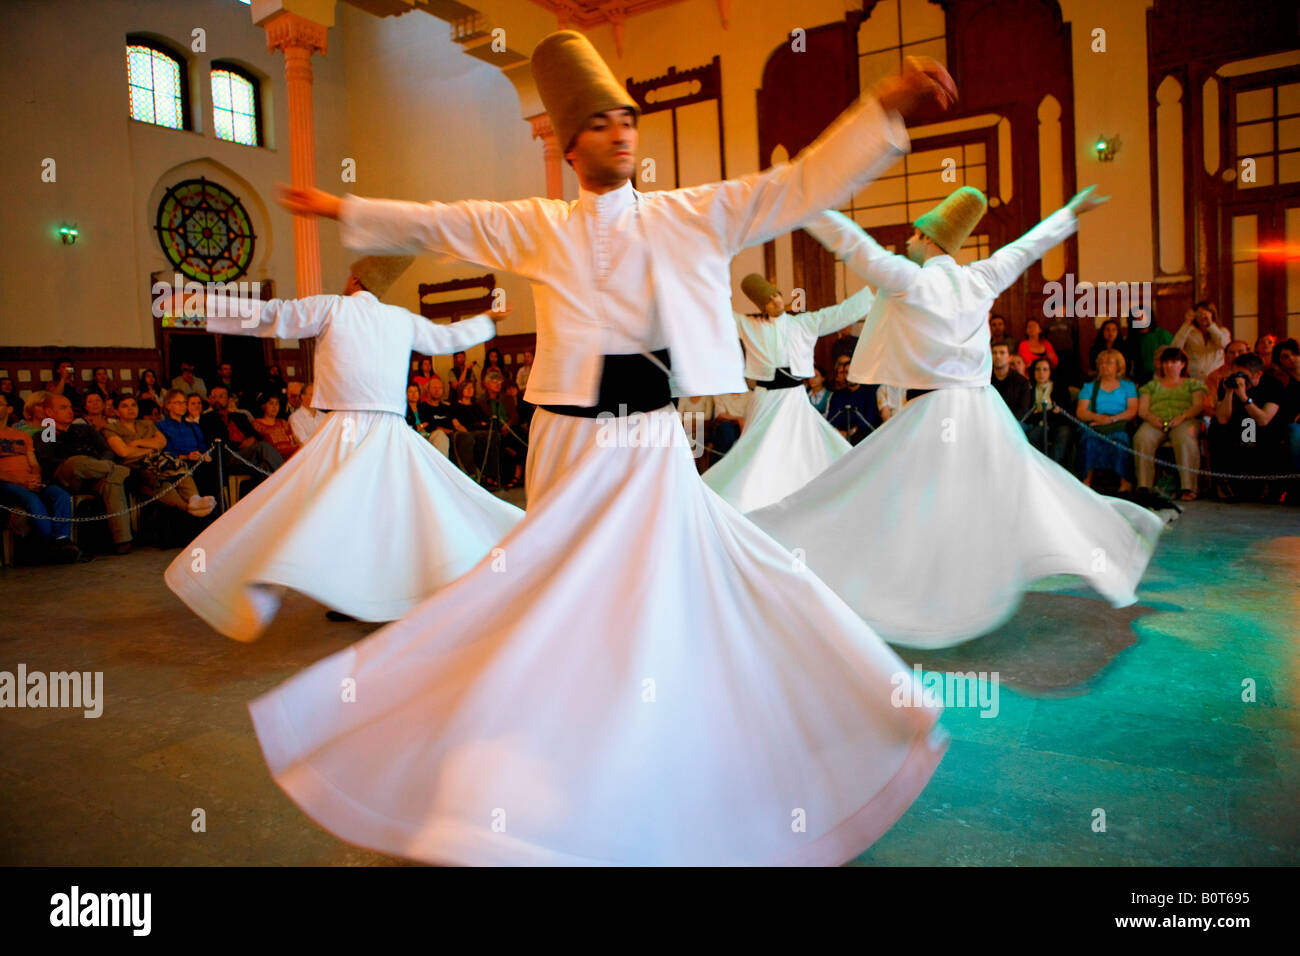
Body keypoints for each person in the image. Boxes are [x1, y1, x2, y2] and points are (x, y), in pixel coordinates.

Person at [263, 35, 955, 866]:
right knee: (556, 597)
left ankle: (665, 760)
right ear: (569, 145)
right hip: (564, 436)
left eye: (626, 118)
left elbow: (800, 184)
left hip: (650, 436)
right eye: (599, 123)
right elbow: (443, 221)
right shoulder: (539, 226)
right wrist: (344, 210)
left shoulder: (690, 213)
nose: (620, 132)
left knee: (665, 592)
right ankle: (539, 767)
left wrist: (883, 107)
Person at [750, 185, 1163, 649]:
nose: (909, 240)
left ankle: (898, 587)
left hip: (935, 412)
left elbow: (853, 245)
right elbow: (1029, 246)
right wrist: (1069, 213)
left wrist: (807, 203)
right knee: (1024, 494)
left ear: (929, 239)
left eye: (915, 234)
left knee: (884, 495)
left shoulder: (911, 279)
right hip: (983, 413)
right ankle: (1103, 550)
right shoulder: (979, 277)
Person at [166, 255, 521, 642]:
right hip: (392, 432)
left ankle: (284, 584)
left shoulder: (333, 307)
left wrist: (202, 303)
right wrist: (488, 320)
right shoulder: (400, 319)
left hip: (345, 429)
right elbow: (448, 338)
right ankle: (375, 592)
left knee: (309, 507)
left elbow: (271, 315)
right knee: (392, 511)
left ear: (354, 280)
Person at [701, 275, 872, 512]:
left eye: (776, 295)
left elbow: (837, 314)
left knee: (804, 447)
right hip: (765, 398)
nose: (775, 301)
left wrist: (872, 292)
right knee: (760, 450)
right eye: (768, 300)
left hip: (794, 398)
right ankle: (751, 498)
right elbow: (717, 315)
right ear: (763, 306)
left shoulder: (803, 323)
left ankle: (809, 495)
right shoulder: (750, 326)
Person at [32, 392, 134, 555]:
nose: (70, 411)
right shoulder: (46, 433)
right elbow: (49, 462)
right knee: (76, 461)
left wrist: (97, 465)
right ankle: (118, 470)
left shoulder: (85, 429)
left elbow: (107, 451)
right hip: (67, 477)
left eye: (70, 407)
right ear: (49, 412)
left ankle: (123, 540)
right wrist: (88, 463)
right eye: (63, 408)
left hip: (96, 475)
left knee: (112, 484)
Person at [0, 392, 83, 563]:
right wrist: (21, 481)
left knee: (61, 495)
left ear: (9, 409)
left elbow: (34, 463)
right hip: (7, 484)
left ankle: (62, 539)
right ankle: (52, 545)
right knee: (32, 499)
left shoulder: (21, 435)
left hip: (31, 481)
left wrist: (36, 477)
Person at [102, 395, 215, 518]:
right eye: (125, 406)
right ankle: (188, 508)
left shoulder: (147, 424)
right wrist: (151, 448)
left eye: (133, 405)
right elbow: (124, 452)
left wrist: (138, 443)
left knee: (176, 465)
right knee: (156, 479)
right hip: (133, 467)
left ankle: (195, 499)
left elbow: (162, 443)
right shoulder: (111, 428)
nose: (130, 409)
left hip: (158, 461)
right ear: (116, 411)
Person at [1134, 347, 1206, 501]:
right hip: (1155, 420)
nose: (1169, 365)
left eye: (1174, 362)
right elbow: (1143, 410)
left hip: (1185, 420)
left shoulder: (1193, 384)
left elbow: (1198, 405)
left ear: (1183, 364)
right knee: (1142, 438)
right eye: (1166, 362)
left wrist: (1182, 417)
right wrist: (1152, 419)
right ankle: (1144, 486)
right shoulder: (1151, 386)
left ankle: (1189, 487)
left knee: (1185, 439)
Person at [1208, 352, 1283, 500]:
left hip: (1260, 432)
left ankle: (1266, 484)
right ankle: (1223, 482)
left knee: (1254, 427)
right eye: (1235, 374)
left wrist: (1244, 397)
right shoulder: (1228, 383)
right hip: (1235, 430)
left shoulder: (1273, 385)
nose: (1239, 378)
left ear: (1257, 375)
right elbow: (1222, 418)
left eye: (1243, 375)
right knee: (1216, 428)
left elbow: (1264, 419)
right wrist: (1229, 393)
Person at [1076, 348, 1139, 491]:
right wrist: (1098, 418)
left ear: (1118, 366)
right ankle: (1086, 482)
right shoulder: (1089, 387)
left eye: (1109, 362)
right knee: (1089, 441)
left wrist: (1112, 419)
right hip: (1095, 423)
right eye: (1101, 363)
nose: (1104, 366)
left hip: (1119, 423)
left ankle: (1125, 483)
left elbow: (1132, 410)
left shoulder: (1128, 387)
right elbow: (1081, 411)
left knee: (1120, 441)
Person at [198, 385, 283, 488]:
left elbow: (256, 435)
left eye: (221, 396)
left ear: (229, 399)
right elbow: (215, 440)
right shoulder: (206, 419)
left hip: (250, 456)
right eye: (214, 397)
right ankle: (287, 480)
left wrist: (252, 439)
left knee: (265, 466)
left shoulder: (240, 417)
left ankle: (268, 494)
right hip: (229, 457)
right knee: (263, 447)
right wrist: (241, 444)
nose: (217, 400)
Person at [1024, 356, 1074, 467]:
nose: (1041, 373)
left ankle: (1052, 468)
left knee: (1064, 434)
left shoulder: (1060, 388)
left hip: (1060, 425)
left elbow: (1065, 413)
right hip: (1040, 425)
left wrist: (1041, 414)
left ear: (1050, 372)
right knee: (1031, 436)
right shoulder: (1029, 389)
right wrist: (1051, 413)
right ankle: (1039, 467)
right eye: (1038, 369)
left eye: (1045, 369)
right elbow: (1029, 415)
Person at [450, 380, 499, 485]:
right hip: (467, 433)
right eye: (467, 388)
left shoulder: (476, 405)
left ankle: (490, 475)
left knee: (494, 436)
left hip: (481, 432)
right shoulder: (456, 406)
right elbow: (456, 424)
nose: (469, 390)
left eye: (471, 388)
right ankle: (474, 473)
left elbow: (485, 420)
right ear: (461, 390)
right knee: (471, 438)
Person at [1171, 302, 1230, 381]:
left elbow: (1226, 346)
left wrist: (1211, 325)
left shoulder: (1222, 331)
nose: (1202, 317)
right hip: (1194, 377)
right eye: (1199, 314)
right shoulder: (1188, 332)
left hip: (1216, 377)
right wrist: (1187, 323)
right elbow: (1174, 348)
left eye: (1205, 314)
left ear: (1212, 314)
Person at [825, 355, 877, 444]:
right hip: (839, 437)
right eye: (846, 372)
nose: (850, 375)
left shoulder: (869, 394)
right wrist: (839, 432)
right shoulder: (837, 395)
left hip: (862, 437)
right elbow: (831, 418)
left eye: (852, 372)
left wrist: (850, 432)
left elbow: (869, 419)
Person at [1123, 306, 1171, 386]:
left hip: (1161, 377)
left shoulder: (1162, 335)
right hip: (1139, 380)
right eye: (1136, 317)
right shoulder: (1130, 339)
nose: (1139, 319)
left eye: (1142, 316)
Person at [1203, 339, 1251, 413]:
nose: (1236, 355)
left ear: (1248, 353)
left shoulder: (1255, 373)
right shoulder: (1215, 376)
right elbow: (1209, 404)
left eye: (1240, 352)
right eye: (1232, 353)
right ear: (1225, 355)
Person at [990, 342, 1032, 421]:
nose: (998, 356)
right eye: (994, 353)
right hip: (989, 421)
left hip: (1013, 422)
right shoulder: (985, 380)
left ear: (1010, 357)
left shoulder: (1022, 382)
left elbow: (1022, 410)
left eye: (1002, 353)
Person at [252, 396, 299, 460]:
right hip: (274, 456)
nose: (274, 407)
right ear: (264, 406)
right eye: (271, 403)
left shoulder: (283, 422)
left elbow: (292, 441)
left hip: (292, 452)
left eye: (277, 404)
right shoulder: (257, 424)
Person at [422, 375, 455, 457]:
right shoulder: (422, 407)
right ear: (428, 390)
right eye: (434, 388)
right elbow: (426, 426)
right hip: (430, 436)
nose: (437, 390)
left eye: (440, 388)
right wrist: (439, 429)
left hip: (451, 435)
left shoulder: (447, 407)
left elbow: (453, 423)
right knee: (440, 435)